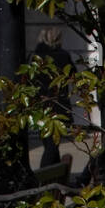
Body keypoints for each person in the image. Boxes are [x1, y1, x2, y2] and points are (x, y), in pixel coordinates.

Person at [31, 27, 73, 168]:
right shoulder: (63, 56)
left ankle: (53, 176)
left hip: (41, 107)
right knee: (52, 145)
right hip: (58, 106)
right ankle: (45, 177)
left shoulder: (35, 57)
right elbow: (73, 75)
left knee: (49, 143)